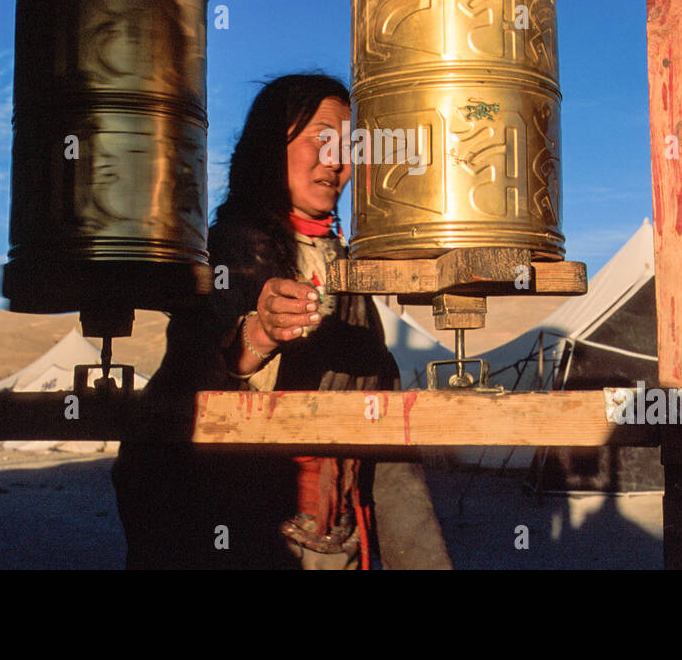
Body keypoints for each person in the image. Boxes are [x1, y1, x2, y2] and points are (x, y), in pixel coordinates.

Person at [112, 73, 452, 569]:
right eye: (321, 138)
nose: (336, 161)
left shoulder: (350, 269)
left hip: (331, 545)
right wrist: (256, 336)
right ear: (271, 147)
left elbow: (385, 437)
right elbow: (184, 386)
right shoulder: (220, 255)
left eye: (348, 146)